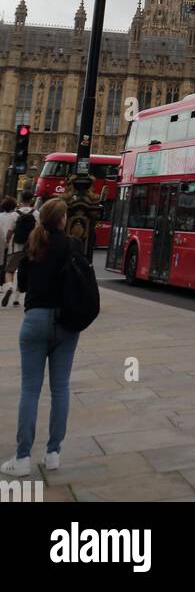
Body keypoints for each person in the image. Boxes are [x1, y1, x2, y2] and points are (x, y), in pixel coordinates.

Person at [1, 198, 84, 476]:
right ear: (63, 220)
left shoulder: (34, 245)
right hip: (65, 323)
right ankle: (52, 454)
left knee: (30, 390)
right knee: (60, 389)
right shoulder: (73, 245)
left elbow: (22, 284)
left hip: (35, 320)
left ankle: (22, 458)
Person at [1, 191, 39, 308]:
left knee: (10, 270)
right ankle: (16, 299)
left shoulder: (15, 214)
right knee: (25, 271)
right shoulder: (36, 213)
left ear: (21, 200)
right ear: (32, 199)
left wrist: (7, 242)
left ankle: (10, 286)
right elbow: (39, 229)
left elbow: (10, 232)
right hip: (31, 246)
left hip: (16, 246)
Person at [0, 196, 18, 282]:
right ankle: (3, 282)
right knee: (6, 264)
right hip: (9, 243)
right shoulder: (15, 216)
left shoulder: (0, 215)